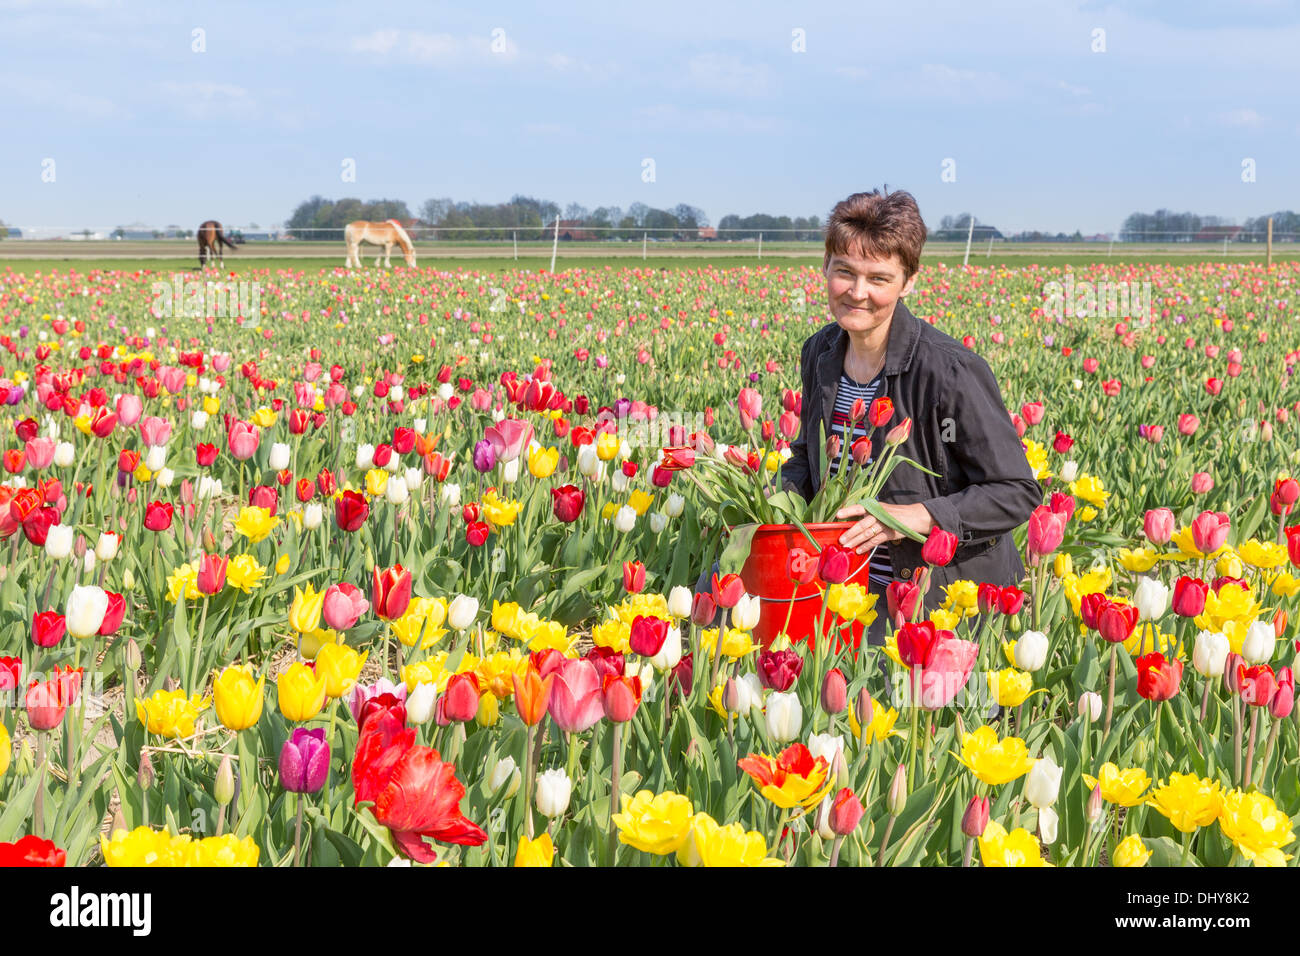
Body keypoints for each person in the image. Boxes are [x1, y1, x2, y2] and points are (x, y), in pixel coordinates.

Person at [778, 188, 1043, 646]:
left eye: (878, 278)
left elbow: (1017, 492)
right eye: (844, 272)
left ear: (908, 281)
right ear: (825, 268)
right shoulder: (820, 353)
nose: (858, 293)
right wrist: (776, 500)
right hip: (841, 595)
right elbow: (809, 454)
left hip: (937, 603)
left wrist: (915, 516)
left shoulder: (949, 371)